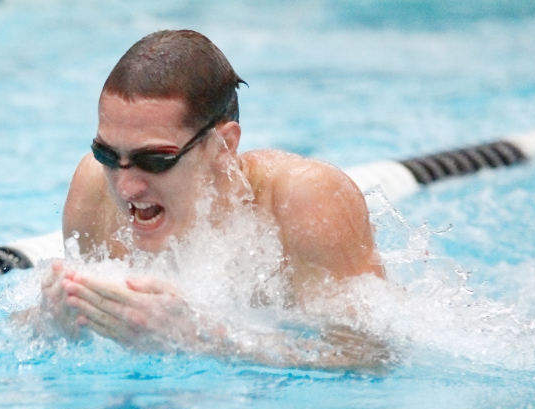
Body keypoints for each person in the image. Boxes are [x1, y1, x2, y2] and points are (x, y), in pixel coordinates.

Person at [33, 30, 387, 368]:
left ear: (223, 145)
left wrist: (200, 338)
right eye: (108, 156)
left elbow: (370, 356)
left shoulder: (304, 200)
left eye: (155, 160)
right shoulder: (95, 189)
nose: (126, 188)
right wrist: (53, 325)